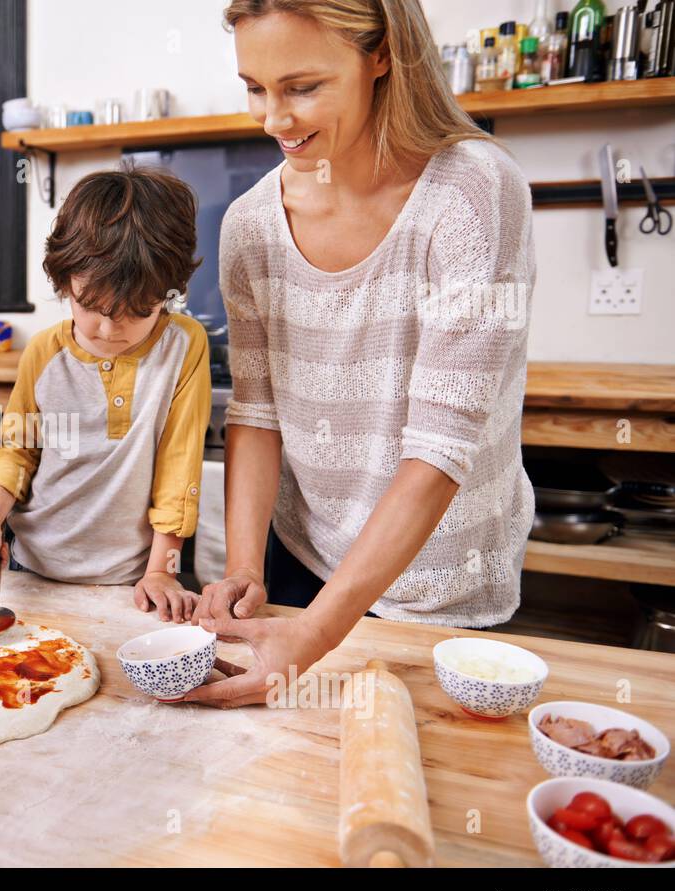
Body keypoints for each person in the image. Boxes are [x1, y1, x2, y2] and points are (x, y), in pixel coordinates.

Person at [187, 0, 535, 706]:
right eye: (255, 87)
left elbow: (440, 447)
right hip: (301, 559)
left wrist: (316, 636)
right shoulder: (252, 225)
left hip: (440, 578)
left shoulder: (472, 192)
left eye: (302, 86)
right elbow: (255, 410)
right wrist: (245, 565)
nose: (273, 119)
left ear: (381, 56)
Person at [0, 166, 213, 622]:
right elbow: (17, 452)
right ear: (64, 283)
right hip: (30, 568)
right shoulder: (43, 352)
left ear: (168, 292)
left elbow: (180, 464)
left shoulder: (184, 346)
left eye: (136, 312)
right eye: (89, 307)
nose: (107, 329)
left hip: (132, 579)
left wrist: (163, 571)